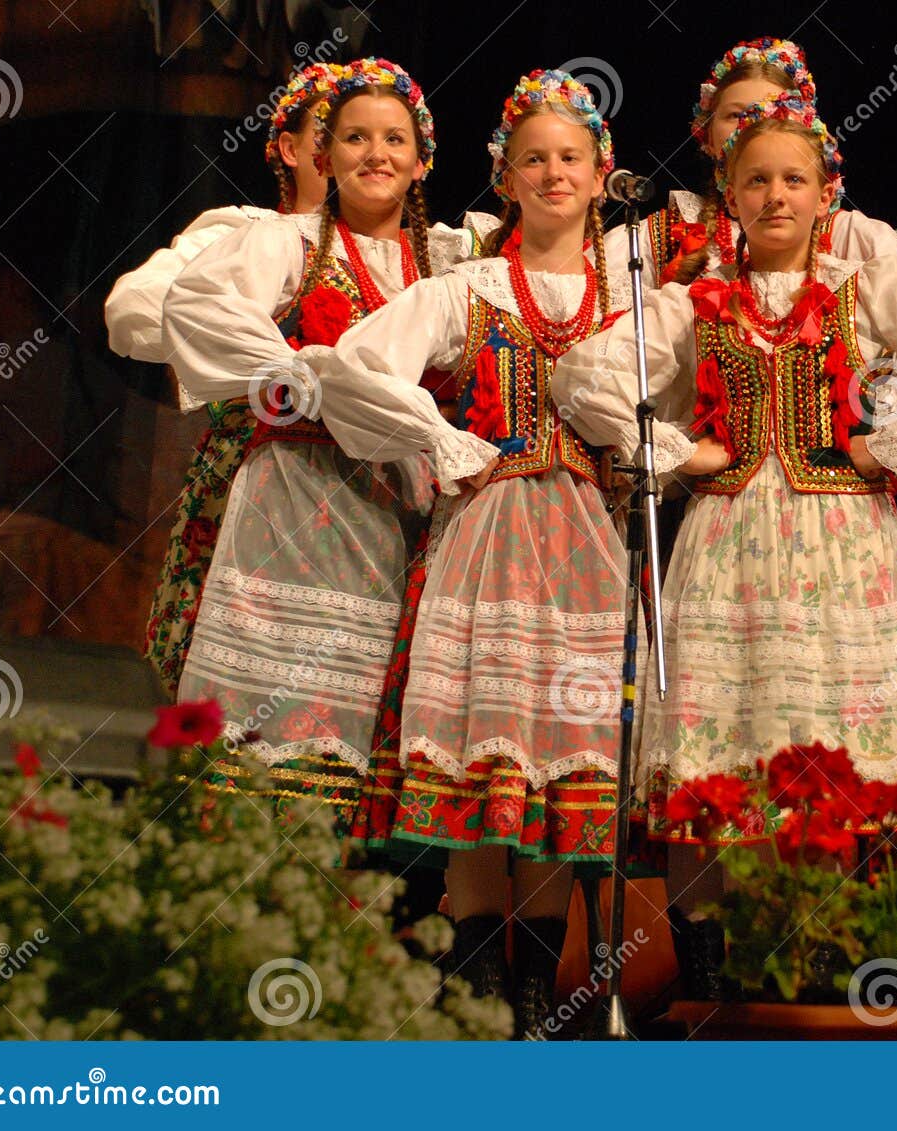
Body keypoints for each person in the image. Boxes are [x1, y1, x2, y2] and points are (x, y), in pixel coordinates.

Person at [557, 95, 897, 993]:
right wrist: (679, 449)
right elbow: (587, 375)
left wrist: (889, 442)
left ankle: (828, 971)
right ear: (726, 192)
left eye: (794, 179)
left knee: (829, 742)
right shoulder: (694, 301)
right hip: (730, 545)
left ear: (824, 193)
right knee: (730, 749)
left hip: (840, 544)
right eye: (757, 178)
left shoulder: (865, 285)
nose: (776, 195)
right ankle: (721, 977)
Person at [317, 69, 628, 1038]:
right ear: (505, 177)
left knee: (555, 761)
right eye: (532, 158)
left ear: (600, 170)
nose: (551, 173)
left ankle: (539, 989)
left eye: (568, 157)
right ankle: (476, 990)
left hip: (588, 550)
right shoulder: (469, 288)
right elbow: (357, 365)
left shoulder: (636, 297)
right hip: (489, 540)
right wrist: (439, 441)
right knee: (480, 758)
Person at [159, 58, 489, 821]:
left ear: (421, 158)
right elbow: (199, 307)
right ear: (324, 155)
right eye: (354, 138)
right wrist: (304, 378)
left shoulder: (446, 262)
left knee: (352, 738)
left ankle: (331, 925)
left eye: (394, 139)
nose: (376, 154)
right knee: (262, 736)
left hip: (390, 512)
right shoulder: (292, 243)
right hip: (293, 496)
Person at [110, 61, 338, 695]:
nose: (354, 148)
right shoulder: (243, 233)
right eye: (333, 130)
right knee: (228, 667)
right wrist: (272, 366)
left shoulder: (419, 250)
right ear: (290, 149)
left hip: (367, 485)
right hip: (254, 469)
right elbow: (133, 310)